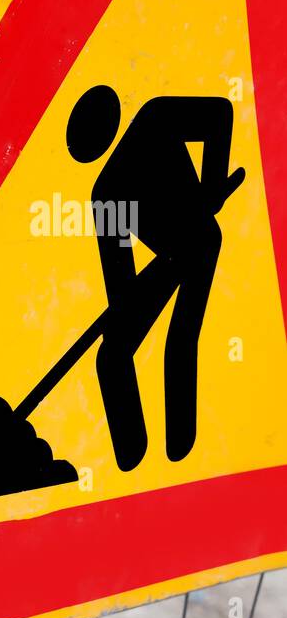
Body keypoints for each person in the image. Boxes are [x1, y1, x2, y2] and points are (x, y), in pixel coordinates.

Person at [66, 85, 244, 471]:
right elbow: (120, 280)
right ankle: (132, 459)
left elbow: (219, 116)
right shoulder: (106, 193)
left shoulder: (155, 119)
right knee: (112, 356)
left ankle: (180, 452)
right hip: (167, 260)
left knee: (180, 339)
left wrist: (211, 184)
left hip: (199, 243)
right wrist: (123, 308)